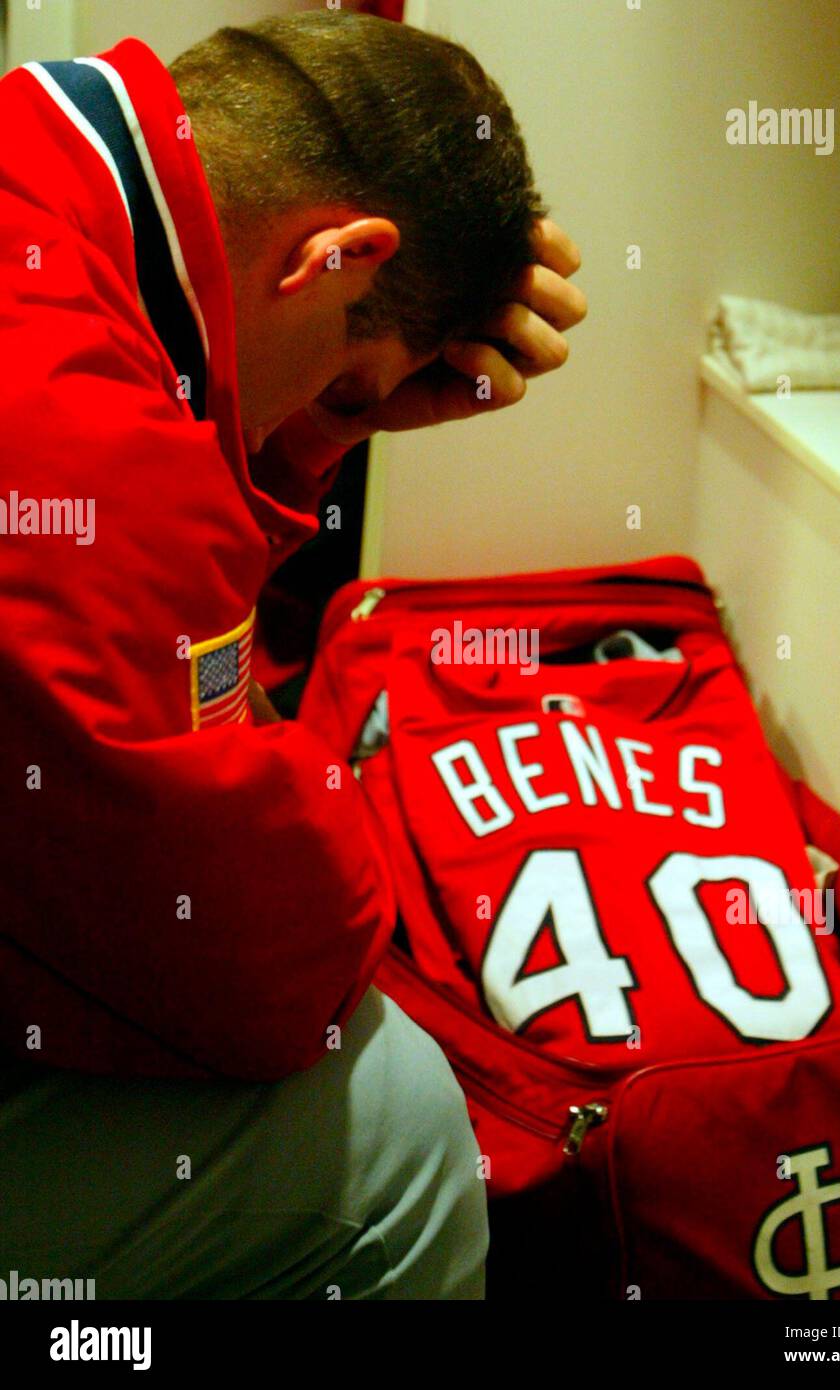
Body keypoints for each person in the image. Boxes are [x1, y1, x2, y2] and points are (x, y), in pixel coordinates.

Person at [0, 11, 586, 1299]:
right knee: (398, 1119)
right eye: (360, 377)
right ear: (341, 256)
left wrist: (313, 429)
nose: (348, 407)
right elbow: (252, 966)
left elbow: (156, 587)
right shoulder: (79, 443)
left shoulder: (41, 162)